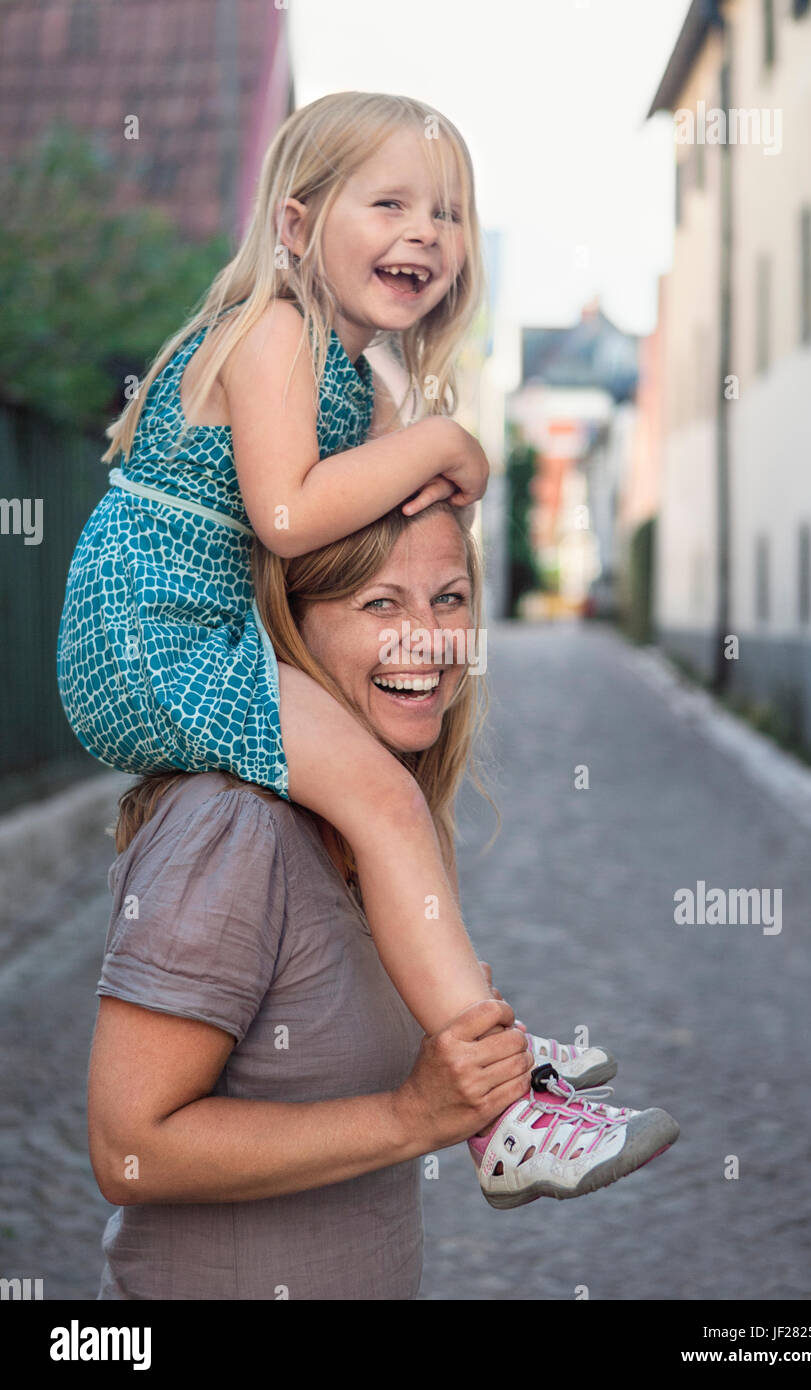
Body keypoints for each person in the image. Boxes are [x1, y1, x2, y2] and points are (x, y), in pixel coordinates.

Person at [59, 91, 678, 1210]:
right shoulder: (274, 331)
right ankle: (503, 1114)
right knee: (385, 805)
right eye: (387, 200)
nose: (424, 232)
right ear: (295, 227)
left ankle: (485, 1046)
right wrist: (442, 440)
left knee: (389, 807)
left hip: (201, 623)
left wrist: (425, 444)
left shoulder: (359, 368)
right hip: (152, 629)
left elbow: (389, 514)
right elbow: (292, 517)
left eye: (444, 211)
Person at [88, 500, 679, 1299]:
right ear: (290, 623)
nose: (429, 639)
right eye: (379, 603)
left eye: (450, 597)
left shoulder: (383, 830)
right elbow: (130, 1147)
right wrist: (412, 1115)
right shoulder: (236, 825)